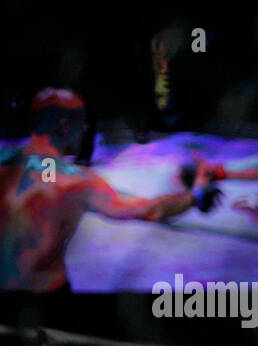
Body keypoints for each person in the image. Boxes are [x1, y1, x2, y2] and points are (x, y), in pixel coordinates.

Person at [0, 89, 222, 292]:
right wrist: (196, 194)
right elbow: (149, 210)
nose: (86, 129)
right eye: (81, 122)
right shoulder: (77, 181)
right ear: (64, 126)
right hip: (44, 295)